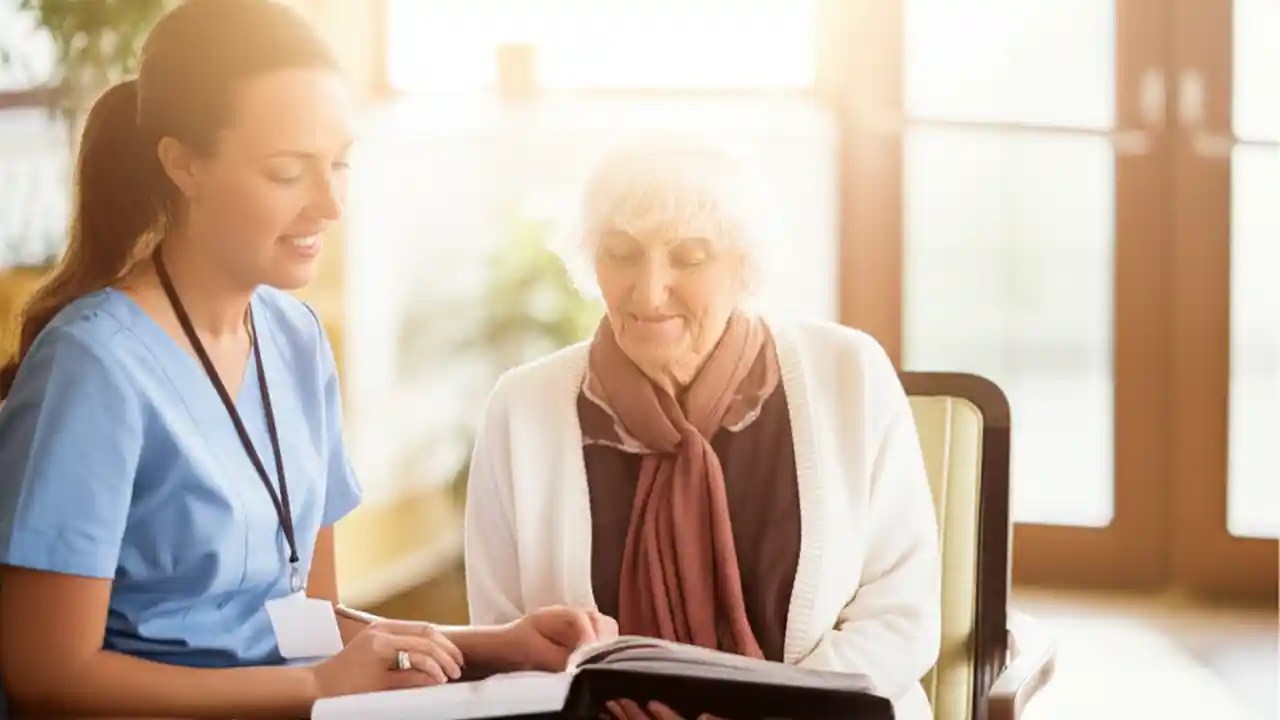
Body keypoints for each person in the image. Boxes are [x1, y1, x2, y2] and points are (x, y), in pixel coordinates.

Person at [0, 1, 613, 718]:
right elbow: (46, 673)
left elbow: (303, 623)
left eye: (340, 164)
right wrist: (314, 689)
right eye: (288, 172)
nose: (330, 204)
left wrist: (493, 645)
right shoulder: (93, 369)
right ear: (183, 164)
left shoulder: (294, 338)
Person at [464, 132, 942, 720]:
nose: (649, 289)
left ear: (743, 266)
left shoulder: (848, 373)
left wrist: (760, 714)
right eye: (621, 252)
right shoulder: (522, 407)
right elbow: (501, 639)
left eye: (688, 257)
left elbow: (900, 615)